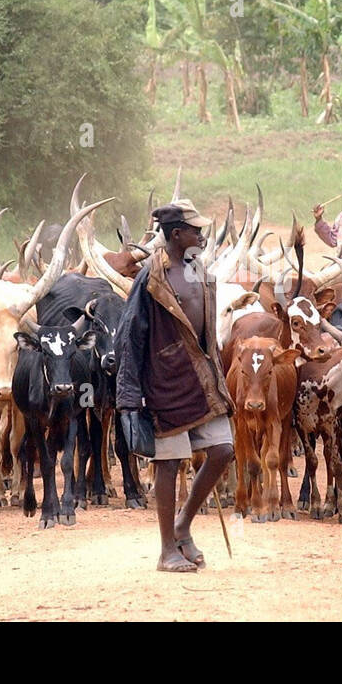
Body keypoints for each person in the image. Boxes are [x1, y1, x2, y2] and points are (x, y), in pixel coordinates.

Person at [115, 200, 236, 573]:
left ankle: (183, 524)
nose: (202, 234)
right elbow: (130, 336)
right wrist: (130, 397)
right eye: (195, 229)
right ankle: (167, 549)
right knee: (169, 464)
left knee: (223, 450)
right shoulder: (150, 278)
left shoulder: (198, 269)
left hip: (202, 379)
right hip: (165, 383)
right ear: (176, 234)